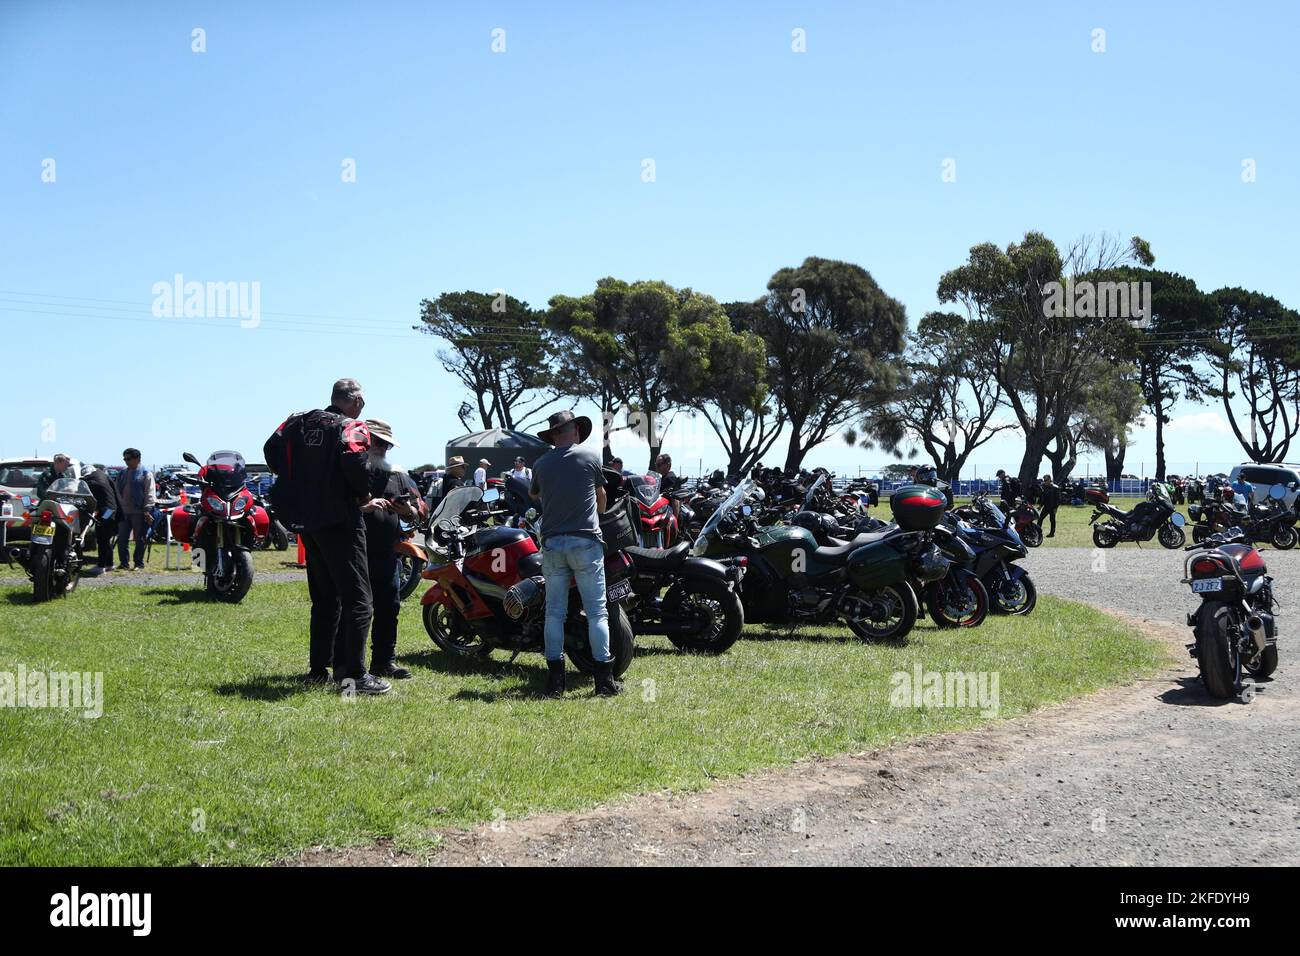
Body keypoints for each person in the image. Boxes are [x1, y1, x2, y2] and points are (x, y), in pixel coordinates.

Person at [264, 378, 388, 695]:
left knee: (324, 599)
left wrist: (298, 478)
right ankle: (355, 676)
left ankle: (318, 669)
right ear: (356, 399)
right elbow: (355, 461)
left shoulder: (296, 420)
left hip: (307, 520)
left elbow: (270, 448)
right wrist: (363, 496)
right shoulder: (352, 426)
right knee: (359, 599)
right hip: (340, 519)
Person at [529, 409, 619, 698]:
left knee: (555, 613)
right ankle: (604, 680)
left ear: (554, 435)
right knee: (596, 612)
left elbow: (534, 495)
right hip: (585, 542)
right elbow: (602, 498)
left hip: (553, 544)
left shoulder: (541, 463)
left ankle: (556, 682)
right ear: (575, 430)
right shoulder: (591, 457)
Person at [358, 419, 419, 680]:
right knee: (357, 610)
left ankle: (384, 661)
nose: (383, 448)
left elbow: (419, 511)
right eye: (378, 442)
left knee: (389, 608)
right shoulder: (353, 471)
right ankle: (351, 666)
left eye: (387, 444)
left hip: (388, 551)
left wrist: (408, 510)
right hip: (356, 551)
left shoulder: (398, 474)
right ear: (365, 440)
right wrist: (365, 505)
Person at [114, 448, 156, 570]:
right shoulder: (122, 474)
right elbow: (116, 491)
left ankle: (138, 563)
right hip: (123, 512)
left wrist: (147, 510)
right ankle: (124, 563)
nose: (126, 461)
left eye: (129, 459)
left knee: (139, 539)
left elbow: (150, 493)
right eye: (125, 459)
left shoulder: (146, 474)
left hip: (139, 512)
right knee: (122, 539)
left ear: (137, 459)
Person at [80, 463, 119, 573]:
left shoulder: (92, 480)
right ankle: (109, 564)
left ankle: (101, 566)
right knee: (106, 538)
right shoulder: (102, 476)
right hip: (112, 510)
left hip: (106, 512)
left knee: (102, 537)